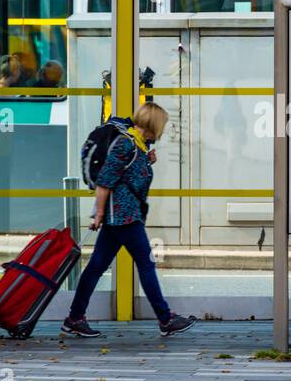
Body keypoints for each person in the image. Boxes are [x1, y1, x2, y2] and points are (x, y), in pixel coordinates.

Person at [62, 102, 198, 339]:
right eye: (162, 124)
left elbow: (128, 176)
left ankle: (74, 318)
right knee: (146, 264)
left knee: (95, 267)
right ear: (154, 124)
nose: (163, 129)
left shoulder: (137, 144)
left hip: (122, 218)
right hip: (124, 218)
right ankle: (166, 319)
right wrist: (100, 214)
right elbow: (105, 180)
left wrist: (147, 161)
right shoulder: (126, 144)